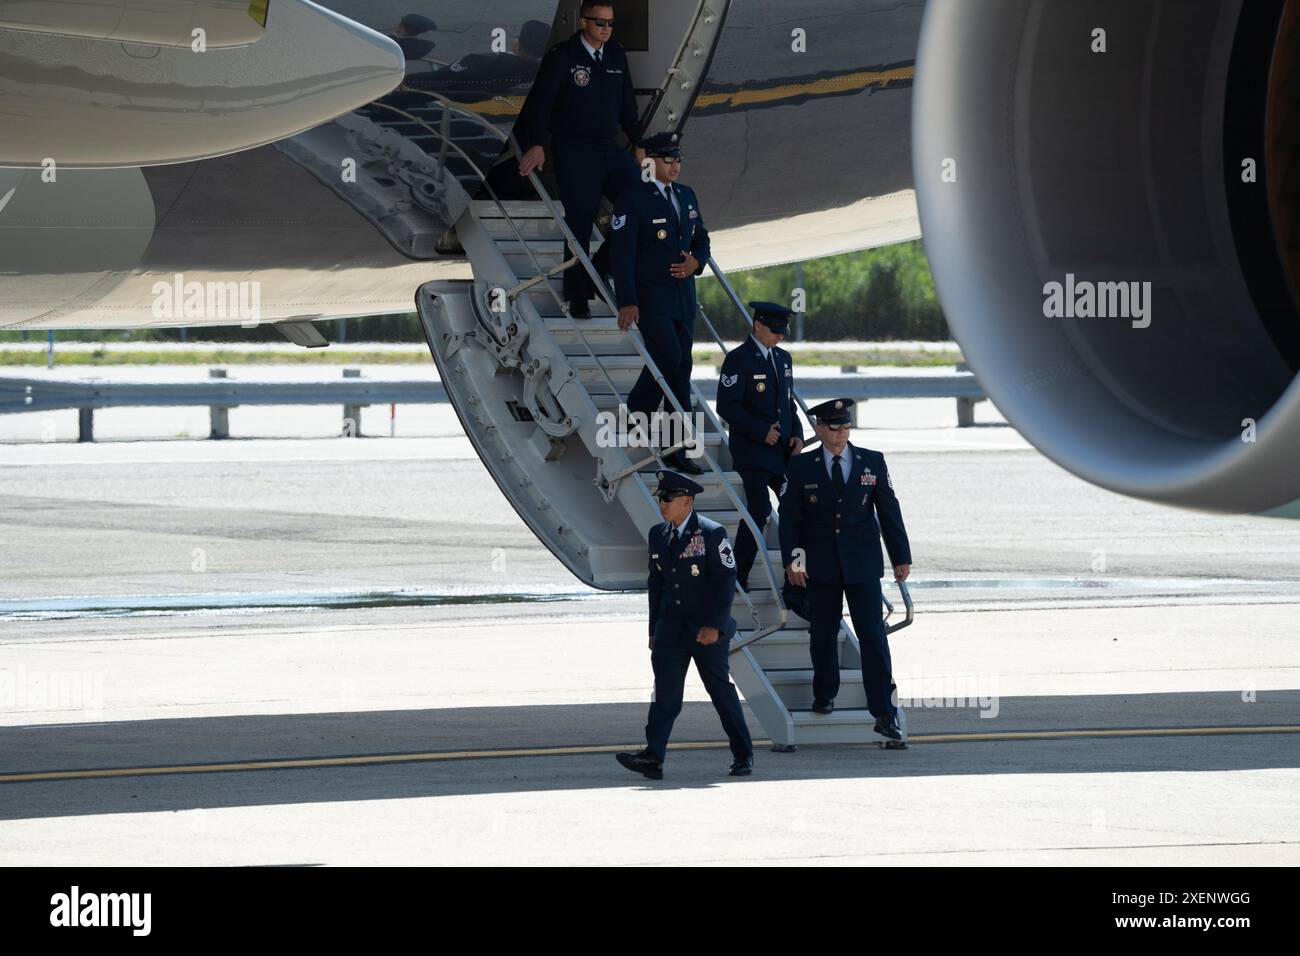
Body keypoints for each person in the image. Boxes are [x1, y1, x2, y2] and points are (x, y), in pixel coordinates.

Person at [778, 399, 912, 739]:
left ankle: (884, 710)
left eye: (845, 426)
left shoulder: (872, 462)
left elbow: (889, 511)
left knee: (873, 637)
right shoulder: (801, 467)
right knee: (822, 634)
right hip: (820, 565)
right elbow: (790, 519)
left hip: (862, 564)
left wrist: (900, 556)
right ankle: (824, 694)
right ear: (820, 429)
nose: (840, 433)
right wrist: (794, 560)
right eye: (834, 427)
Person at [616, 470, 754, 779]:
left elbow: (725, 581)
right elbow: (657, 585)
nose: (662, 504)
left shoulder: (711, 534)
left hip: (706, 631)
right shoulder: (658, 534)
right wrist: (653, 629)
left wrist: (715, 626)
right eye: (660, 499)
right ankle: (653, 757)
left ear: (687, 501)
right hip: (671, 631)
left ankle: (743, 754)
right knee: (665, 695)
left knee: (720, 693)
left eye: (668, 499)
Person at [515, 2, 642, 317]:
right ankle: (576, 296)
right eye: (600, 23)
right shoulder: (563, 56)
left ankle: (596, 270)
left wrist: (639, 142)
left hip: (608, 147)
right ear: (583, 22)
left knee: (641, 204)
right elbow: (540, 104)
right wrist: (536, 143)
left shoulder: (615, 55)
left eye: (611, 24)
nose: (606, 29)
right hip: (573, 148)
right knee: (580, 223)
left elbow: (627, 104)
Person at [610, 132, 711, 473]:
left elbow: (701, 238)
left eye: (678, 159)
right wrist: (627, 301)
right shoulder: (633, 198)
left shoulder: (686, 195)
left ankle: (662, 434)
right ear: (650, 162)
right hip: (651, 297)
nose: (675, 166)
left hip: (683, 297)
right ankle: (657, 429)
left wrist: (697, 262)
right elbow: (621, 254)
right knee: (669, 359)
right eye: (669, 159)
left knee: (681, 367)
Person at [716, 302, 804, 589]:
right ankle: (738, 573)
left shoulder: (783, 358)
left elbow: (788, 403)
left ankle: (797, 573)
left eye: (783, 331)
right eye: (775, 330)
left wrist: (797, 434)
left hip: (781, 451)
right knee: (760, 510)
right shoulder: (739, 360)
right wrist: (760, 431)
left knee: (796, 506)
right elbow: (727, 406)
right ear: (757, 325)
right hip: (753, 452)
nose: (780, 336)